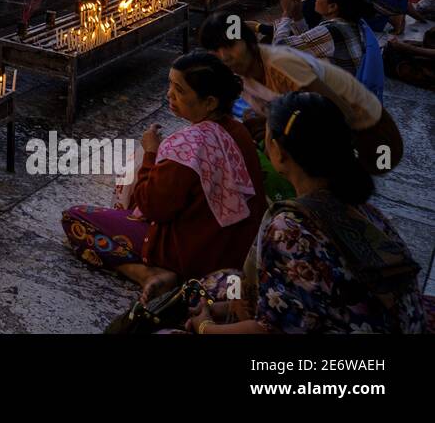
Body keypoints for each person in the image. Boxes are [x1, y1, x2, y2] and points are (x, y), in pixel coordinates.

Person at [182, 92, 424, 334]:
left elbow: (267, 332)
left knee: (196, 300)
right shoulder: (364, 209)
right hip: (398, 325)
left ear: (277, 151)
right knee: (228, 282)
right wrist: (225, 309)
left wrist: (204, 325)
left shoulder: (289, 230)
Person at [62, 53, 266, 301]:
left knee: (76, 218)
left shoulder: (190, 146)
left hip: (192, 255)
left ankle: (147, 273)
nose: (170, 94)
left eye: (179, 90)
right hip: (232, 250)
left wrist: (150, 153)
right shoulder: (238, 130)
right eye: (170, 85)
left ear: (210, 102)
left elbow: (153, 207)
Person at [197, 14, 402, 173]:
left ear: (250, 42)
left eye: (230, 45)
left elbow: (339, 112)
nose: (224, 56)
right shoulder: (240, 77)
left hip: (368, 131)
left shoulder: (280, 64)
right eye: (215, 50)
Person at [273, 0, 384, 101]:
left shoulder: (331, 31)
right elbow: (308, 44)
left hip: (336, 105)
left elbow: (277, 51)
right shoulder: (351, 23)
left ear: (332, 7)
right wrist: (298, 16)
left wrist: (286, 13)